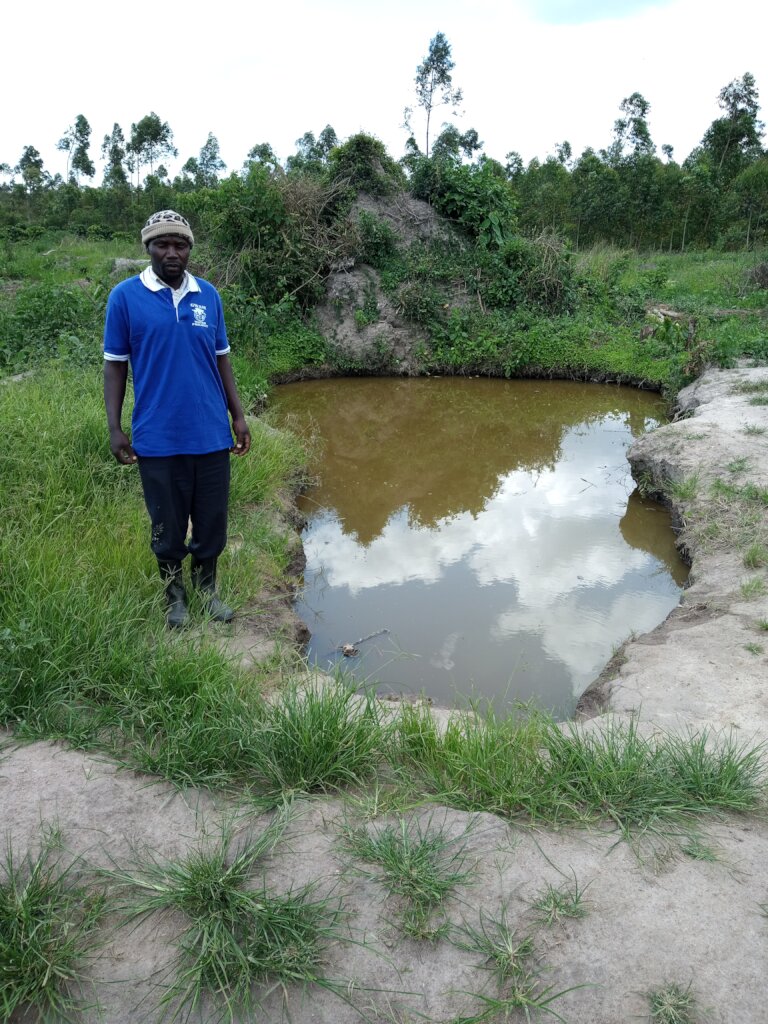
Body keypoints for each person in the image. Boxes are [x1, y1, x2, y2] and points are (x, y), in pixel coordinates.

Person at [103, 209, 251, 628]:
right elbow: (115, 365)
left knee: (212, 523)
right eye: (162, 244)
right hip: (157, 438)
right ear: (148, 248)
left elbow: (221, 360)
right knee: (166, 527)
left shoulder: (209, 295)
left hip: (210, 434)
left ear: (189, 250)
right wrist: (115, 428)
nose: (172, 252)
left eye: (180, 245)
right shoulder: (125, 298)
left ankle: (207, 592)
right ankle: (175, 599)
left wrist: (237, 417)